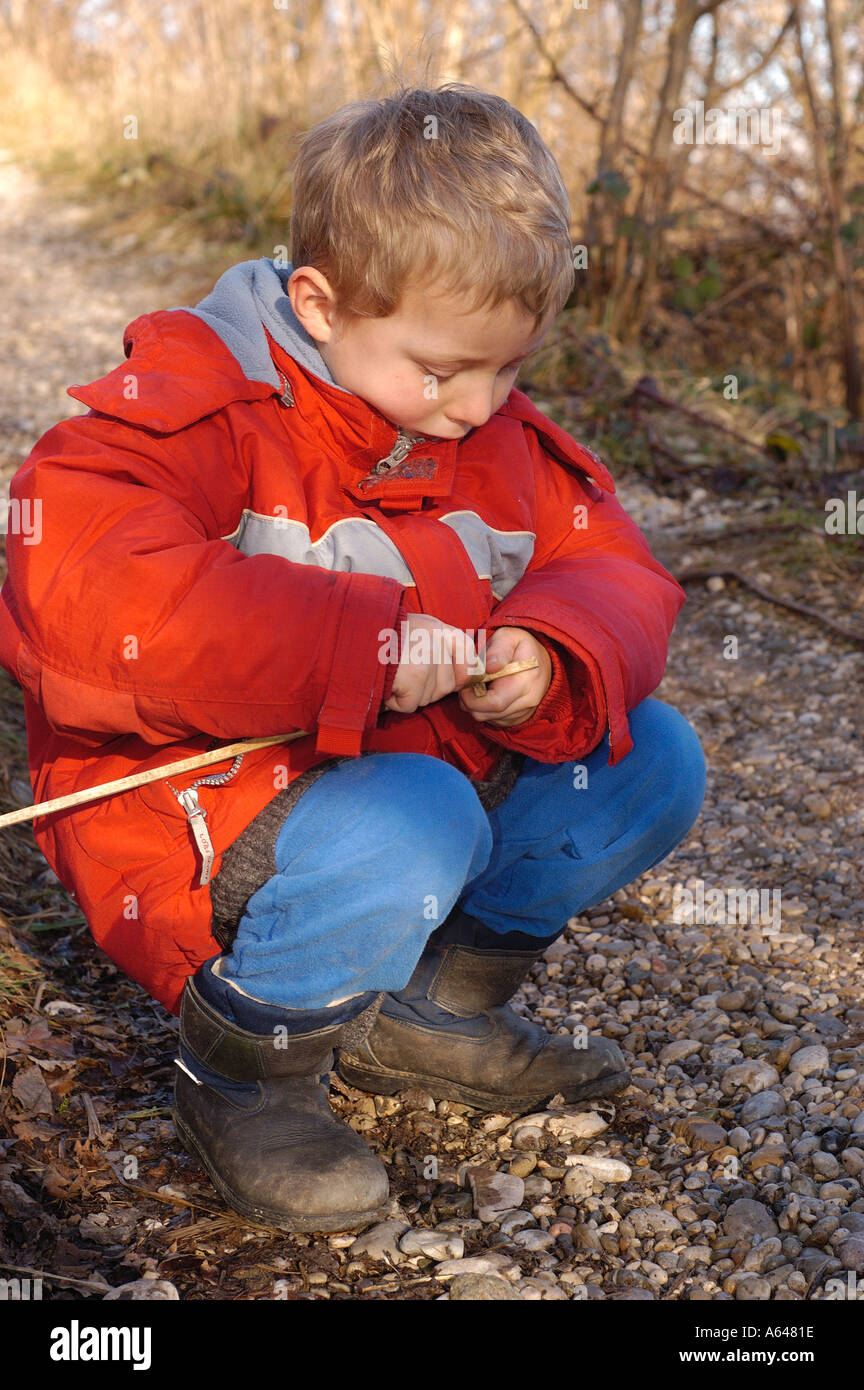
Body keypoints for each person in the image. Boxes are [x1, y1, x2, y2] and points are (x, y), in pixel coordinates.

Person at [0, 83, 706, 1234]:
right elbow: (75, 596)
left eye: (510, 367)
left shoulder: (485, 426)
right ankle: (249, 1065)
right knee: (417, 813)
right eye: (443, 369)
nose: (479, 406)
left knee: (651, 756)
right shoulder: (200, 408)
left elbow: (616, 566)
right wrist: (358, 644)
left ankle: (427, 1012)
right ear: (321, 304)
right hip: (210, 805)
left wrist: (550, 646)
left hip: (403, 782)